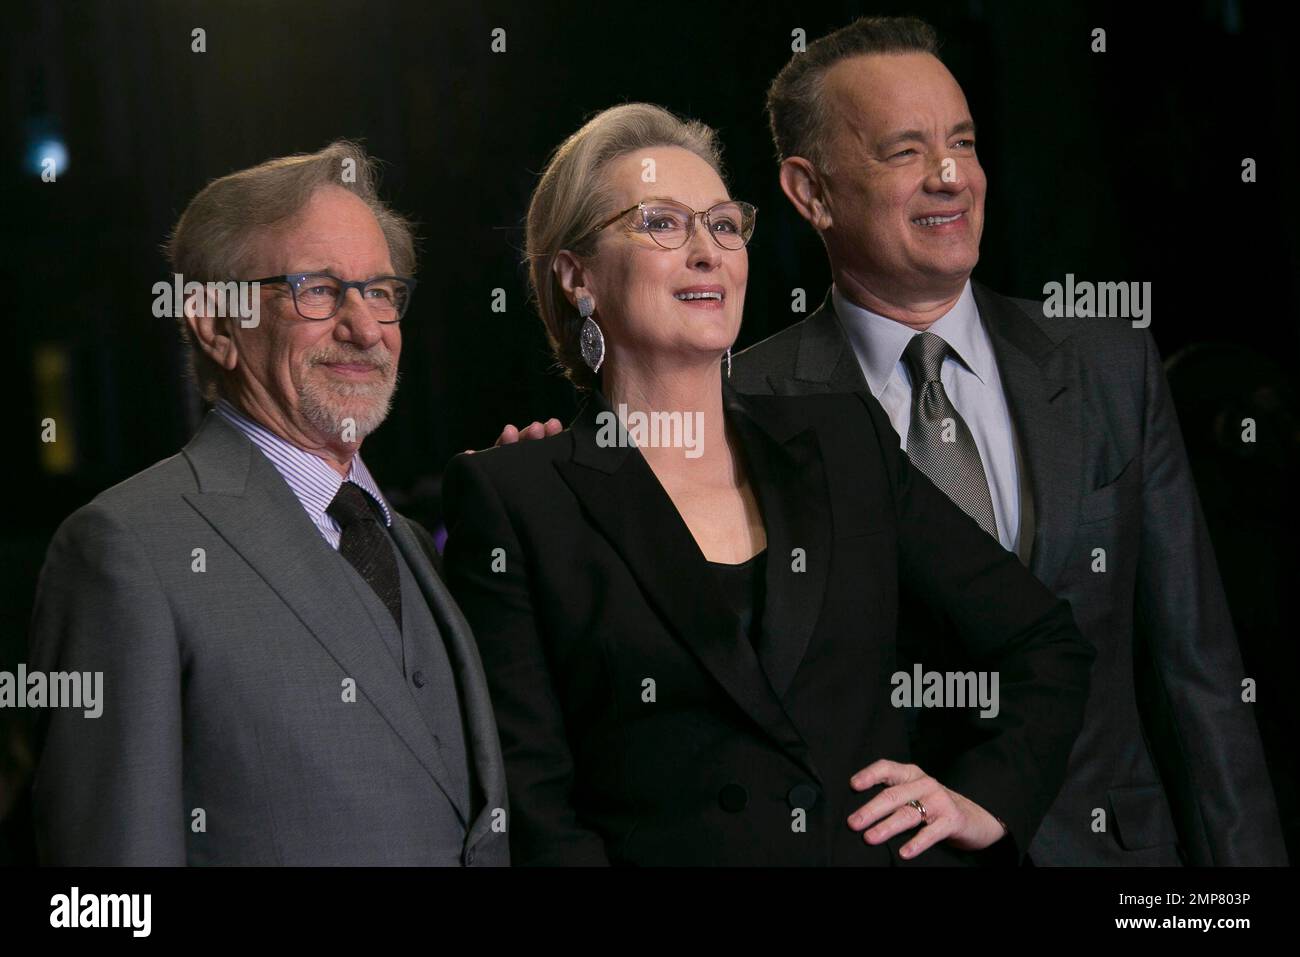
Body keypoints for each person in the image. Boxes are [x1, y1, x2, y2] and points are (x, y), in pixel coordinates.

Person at [442, 103, 1093, 866]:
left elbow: (1044, 643)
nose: (707, 252)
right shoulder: (517, 496)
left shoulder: (842, 441)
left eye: (723, 224)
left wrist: (983, 797)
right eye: (661, 223)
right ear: (576, 275)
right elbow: (539, 811)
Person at [732, 15, 1286, 865]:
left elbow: (1196, 679)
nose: (951, 177)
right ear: (811, 193)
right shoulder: (744, 404)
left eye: (963, 141)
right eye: (904, 151)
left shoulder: (1109, 365)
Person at [28, 142, 508, 866]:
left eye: (381, 290)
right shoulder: (126, 550)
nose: (365, 327)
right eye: (317, 289)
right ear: (216, 325)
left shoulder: (410, 541)